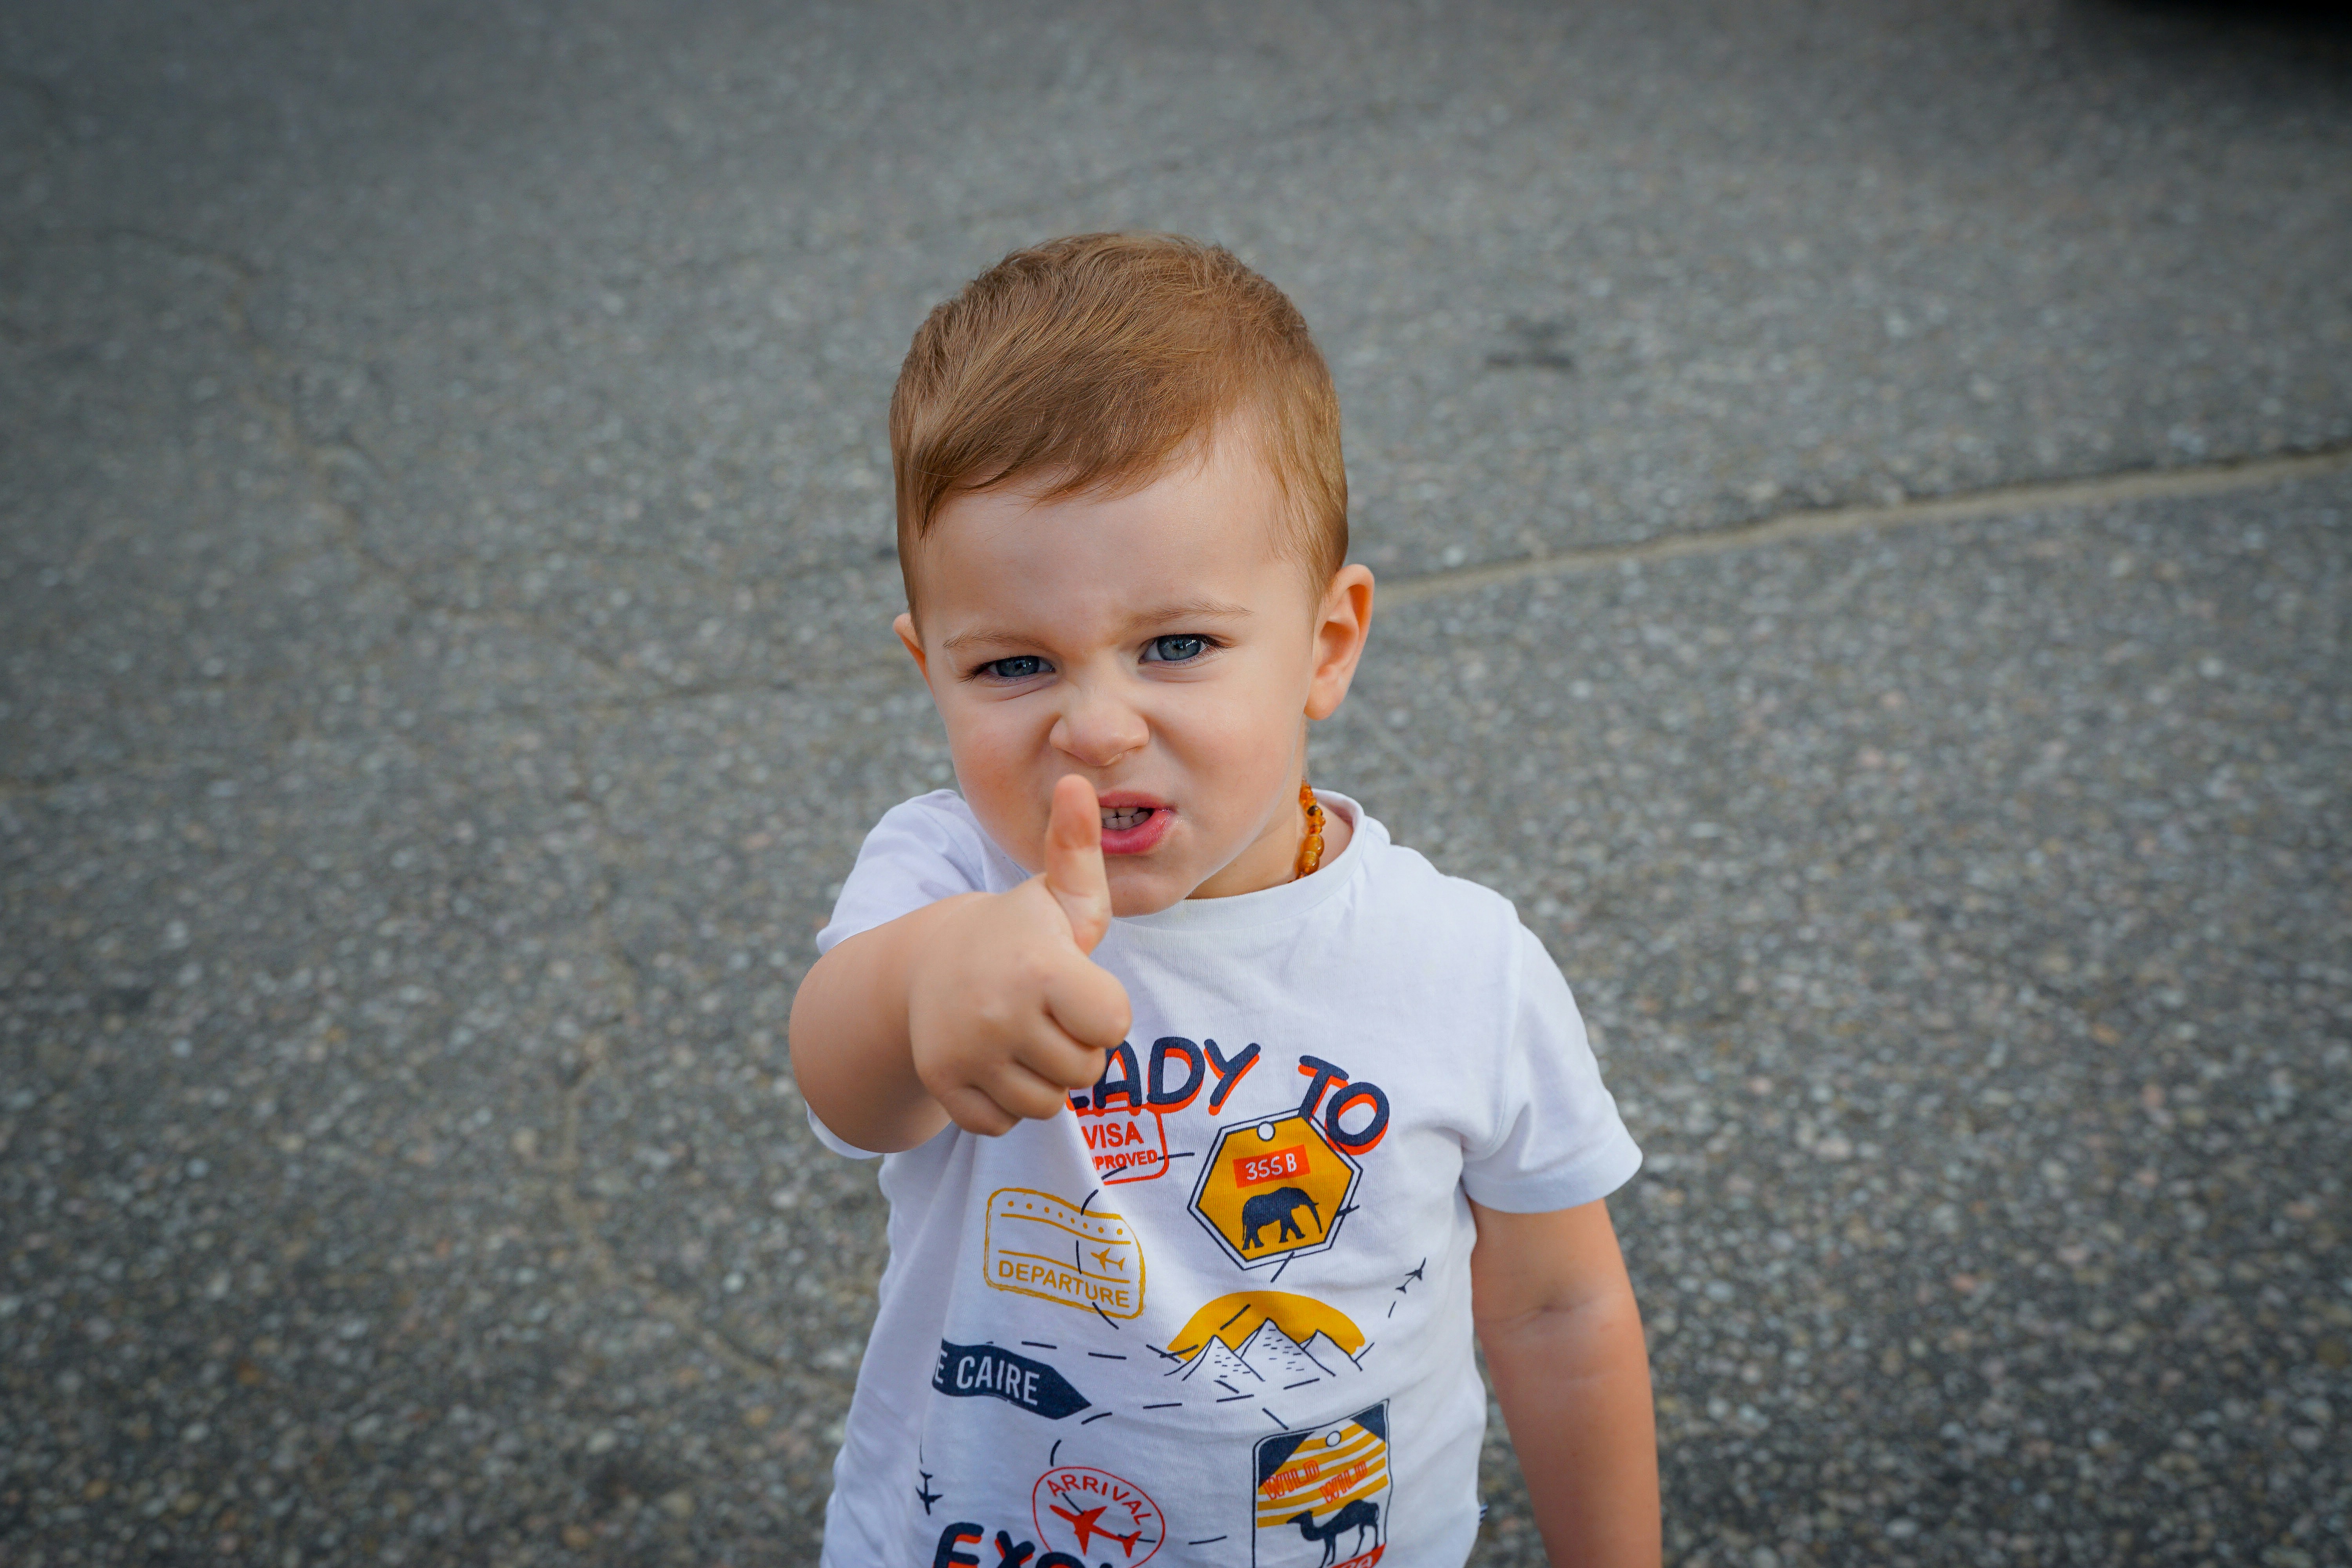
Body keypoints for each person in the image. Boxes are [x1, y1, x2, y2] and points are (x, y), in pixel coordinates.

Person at [789, 232, 1658, 1568]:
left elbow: (1556, 1313)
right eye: (1014, 664)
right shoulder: (950, 876)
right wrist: (928, 983)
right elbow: (847, 1086)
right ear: (930, 670)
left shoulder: (1457, 960)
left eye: (1176, 646)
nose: (1096, 725)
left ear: (1326, 644)